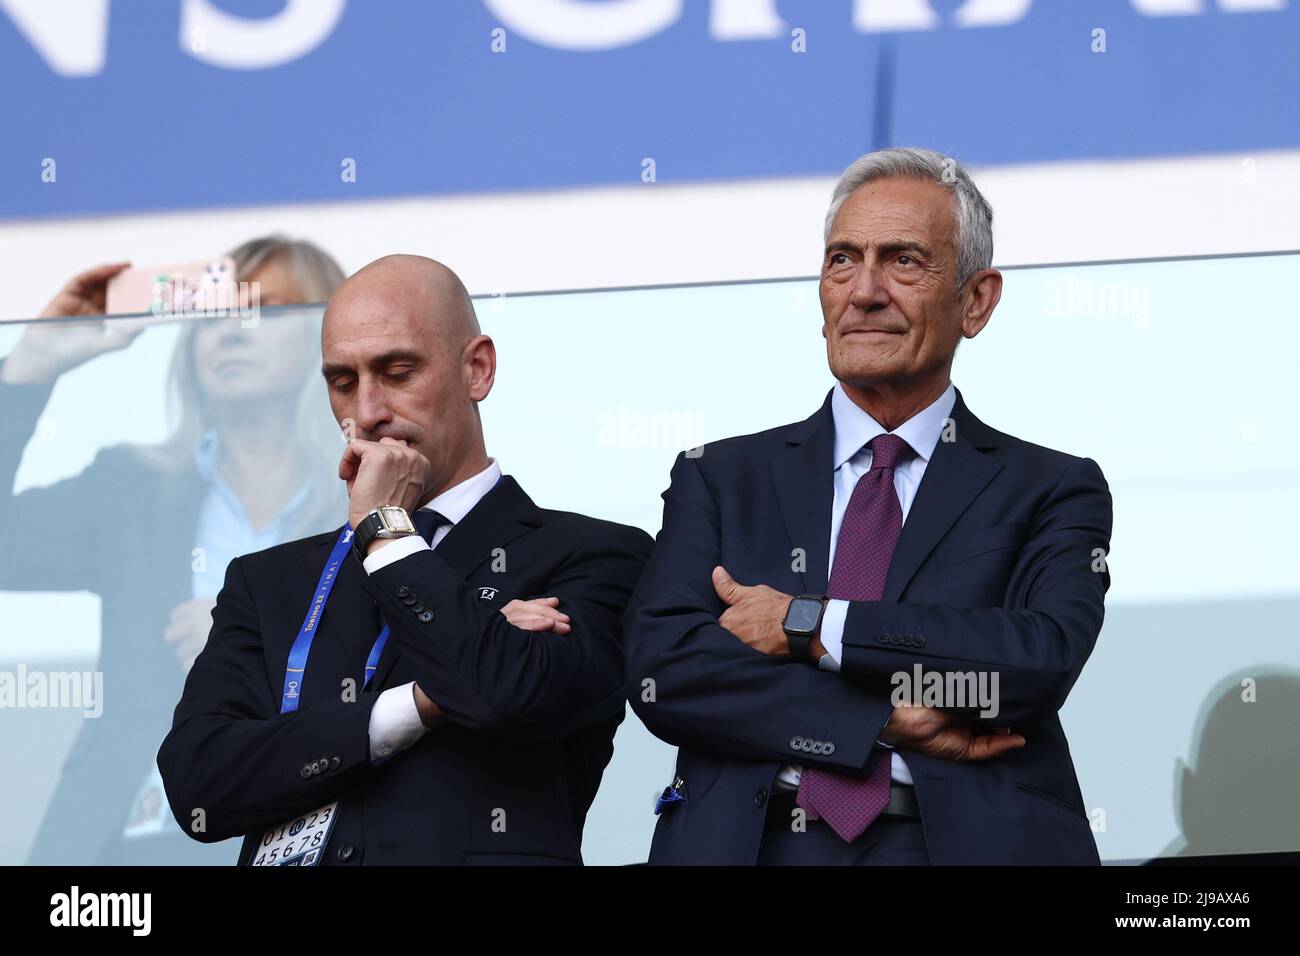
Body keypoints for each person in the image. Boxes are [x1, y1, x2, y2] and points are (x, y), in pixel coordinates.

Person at [625, 147, 1113, 865]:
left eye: (904, 261)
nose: (865, 291)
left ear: (975, 300)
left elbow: (1027, 667)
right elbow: (665, 672)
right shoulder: (721, 478)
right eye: (842, 260)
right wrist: (880, 720)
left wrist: (808, 623)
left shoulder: (1051, 486)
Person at [158, 254, 652, 865]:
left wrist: (386, 533)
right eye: (343, 382)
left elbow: (504, 693)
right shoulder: (269, 580)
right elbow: (197, 784)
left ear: (477, 369)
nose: (367, 414)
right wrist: (419, 705)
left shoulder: (599, 555)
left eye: (396, 371)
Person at [1, 236, 347, 864]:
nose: (230, 332)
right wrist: (31, 364)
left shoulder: (375, 504)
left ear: (326, 339)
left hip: (312, 836)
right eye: (212, 315)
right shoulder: (131, 491)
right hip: (132, 843)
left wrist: (260, 651)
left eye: (262, 310)